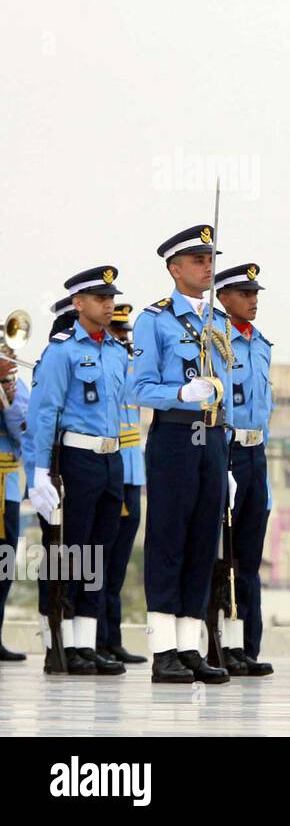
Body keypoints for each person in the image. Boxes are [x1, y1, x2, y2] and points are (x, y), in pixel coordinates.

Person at [130, 224, 232, 684]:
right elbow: (139, 388)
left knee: (202, 543)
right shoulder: (154, 320)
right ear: (174, 268)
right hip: (173, 436)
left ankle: (191, 646)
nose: (208, 266)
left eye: (211, 259)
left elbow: (227, 389)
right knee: (168, 540)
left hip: (211, 438)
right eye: (198, 260)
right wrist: (182, 392)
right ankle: (162, 648)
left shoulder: (219, 320)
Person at [26, 266, 131, 676]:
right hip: (75, 460)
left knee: (98, 555)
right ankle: (60, 643)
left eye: (111, 298)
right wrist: (38, 473)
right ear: (78, 303)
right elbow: (44, 412)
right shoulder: (62, 352)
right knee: (69, 554)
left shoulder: (117, 352)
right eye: (100, 299)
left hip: (111, 459)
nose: (109, 305)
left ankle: (87, 644)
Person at [214, 262, 274, 676]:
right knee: (222, 557)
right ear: (223, 297)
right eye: (244, 293)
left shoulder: (261, 344)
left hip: (256, 455)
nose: (253, 300)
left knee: (250, 559)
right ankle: (218, 643)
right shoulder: (215, 342)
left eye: (255, 293)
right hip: (228, 450)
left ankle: (246, 647)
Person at [95, 302, 146, 665]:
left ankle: (111, 638)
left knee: (118, 566)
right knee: (99, 559)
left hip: (132, 474)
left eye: (125, 334)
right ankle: (95, 637)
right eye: (117, 333)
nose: (123, 340)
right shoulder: (106, 366)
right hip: (108, 469)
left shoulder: (130, 366)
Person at [0, 346, 30, 662]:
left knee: (3, 564)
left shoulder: (14, 380)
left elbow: (26, 433)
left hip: (5, 485)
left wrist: (7, 390)